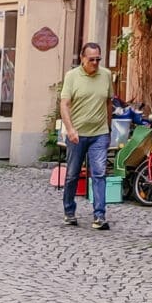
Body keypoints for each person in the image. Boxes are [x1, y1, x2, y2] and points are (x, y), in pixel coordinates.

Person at [58, 42, 115, 231]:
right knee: (72, 175)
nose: (95, 63)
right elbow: (64, 104)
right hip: (77, 134)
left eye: (98, 59)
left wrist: (108, 127)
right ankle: (69, 211)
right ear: (82, 59)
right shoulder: (72, 77)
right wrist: (70, 129)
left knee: (99, 173)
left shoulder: (106, 75)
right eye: (91, 59)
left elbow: (108, 102)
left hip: (99, 134)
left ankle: (99, 216)